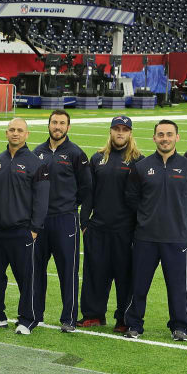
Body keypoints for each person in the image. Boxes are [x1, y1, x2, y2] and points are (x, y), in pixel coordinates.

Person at [124, 119, 187, 341]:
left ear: (177, 137)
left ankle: (179, 326)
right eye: (161, 134)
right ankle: (134, 325)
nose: (165, 138)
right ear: (154, 138)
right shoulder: (141, 167)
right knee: (139, 285)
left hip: (176, 238)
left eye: (169, 134)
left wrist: (179, 220)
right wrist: (146, 217)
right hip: (145, 237)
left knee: (178, 287)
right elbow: (131, 199)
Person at [0, 117, 49, 335]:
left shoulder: (36, 163)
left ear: (27, 134)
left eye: (19, 130)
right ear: (6, 133)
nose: (15, 133)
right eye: (11, 130)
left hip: (22, 231)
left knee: (27, 278)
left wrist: (34, 228)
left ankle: (28, 318)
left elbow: (42, 199)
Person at [79, 116, 142, 333]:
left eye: (125, 129)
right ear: (111, 131)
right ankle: (93, 314)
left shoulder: (139, 161)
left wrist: (137, 229)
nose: (120, 133)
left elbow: (142, 199)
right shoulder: (97, 159)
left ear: (130, 133)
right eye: (117, 128)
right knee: (95, 273)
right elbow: (88, 193)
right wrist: (84, 223)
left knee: (125, 275)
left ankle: (124, 318)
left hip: (125, 230)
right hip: (97, 228)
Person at [31, 110, 92, 333]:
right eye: (54, 122)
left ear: (68, 127)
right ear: (48, 125)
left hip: (65, 219)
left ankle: (69, 318)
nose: (58, 126)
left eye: (62, 123)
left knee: (68, 270)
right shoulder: (36, 152)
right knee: (36, 270)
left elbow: (86, 189)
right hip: (40, 221)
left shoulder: (76, 154)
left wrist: (71, 208)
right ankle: (35, 314)